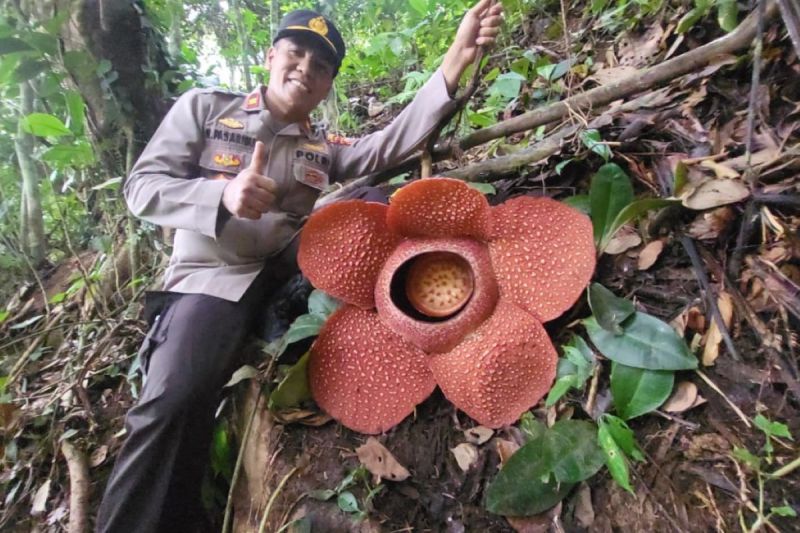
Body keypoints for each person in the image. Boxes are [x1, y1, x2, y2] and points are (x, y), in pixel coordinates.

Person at [96, 2, 503, 531]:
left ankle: (327, 317)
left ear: (328, 84)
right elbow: (141, 188)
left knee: (372, 197)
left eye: (321, 65)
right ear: (271, 57)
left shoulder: (319, 144)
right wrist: (221, 196)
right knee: (176, 399)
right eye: (296, 53)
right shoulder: (206, 109)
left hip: (285, 267)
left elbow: (385, 147)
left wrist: (455, 61)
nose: (305, 68)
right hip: (212, 281)